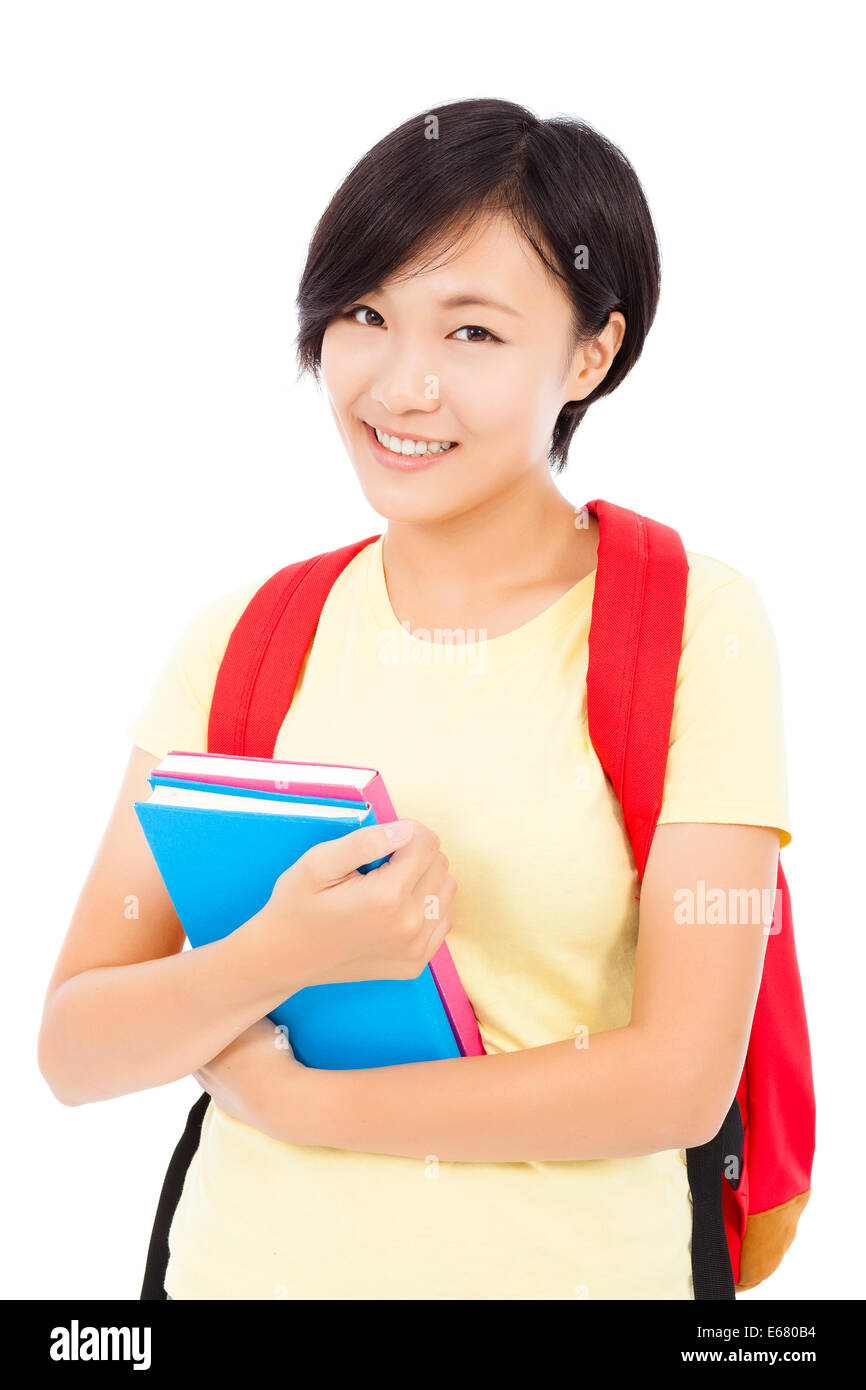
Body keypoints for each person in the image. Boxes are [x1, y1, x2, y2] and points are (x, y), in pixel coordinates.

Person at [38, 98, 789, 1300]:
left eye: (475, 334)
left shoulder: (694, 624)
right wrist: (277, 954)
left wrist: (304, 1099)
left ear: (592, 352)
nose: (400, 385)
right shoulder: (244, 638)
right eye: (365, 314)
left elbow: (679, 1079)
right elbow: (76, 1046)